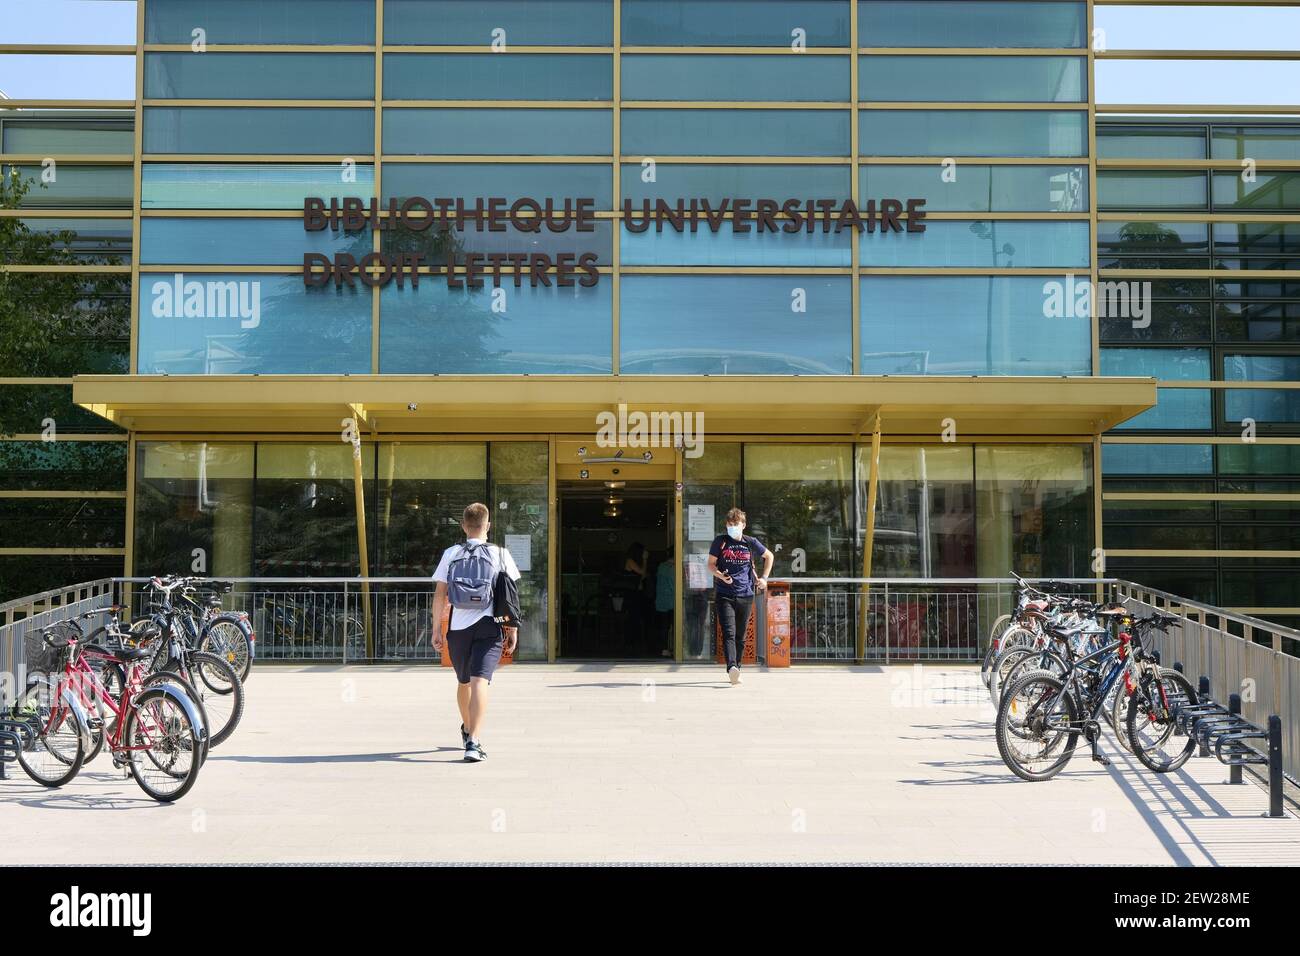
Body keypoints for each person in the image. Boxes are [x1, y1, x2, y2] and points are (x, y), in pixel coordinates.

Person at [431, 502, 521, 762]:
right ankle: (474, 741)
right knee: (480, 681)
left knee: (463, 682)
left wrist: (437, 628)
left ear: (463, 526)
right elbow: (510, 597)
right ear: (488, 527)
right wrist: (511, 628)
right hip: (489, 625)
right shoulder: (501, 555)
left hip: (458, 628)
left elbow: (440, 595)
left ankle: (468, 728)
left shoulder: (451, 553)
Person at [707, 508, 773, 685]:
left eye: (735, 524)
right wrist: (721, 576)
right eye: (729, 524)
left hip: (746, 594)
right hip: (724, 594)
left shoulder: (750, 542)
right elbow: (711, 565)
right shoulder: (720, 541)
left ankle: (738, 668)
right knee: (728, 632)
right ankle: (731, 668)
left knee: (740, 635)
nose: (732, 527)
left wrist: (765, 579)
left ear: (743, 525)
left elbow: (769, 556)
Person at [654, 545, 674, 657]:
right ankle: (667, 649)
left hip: (660, 601)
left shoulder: (661, 566)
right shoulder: (672, 568)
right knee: (670, 626)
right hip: (671, 602)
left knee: (663, 627)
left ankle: (663, 648)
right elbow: (674, 585)